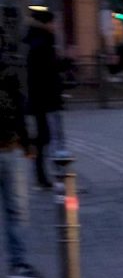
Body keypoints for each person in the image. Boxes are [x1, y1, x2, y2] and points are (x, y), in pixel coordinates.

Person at [0, 63, 39, 278]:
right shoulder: (9, 72)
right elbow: (20, 111)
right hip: (11, 149)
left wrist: (26, 142)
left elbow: (19, 110)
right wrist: (27, 144)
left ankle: (19, 262)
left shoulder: (9, 73)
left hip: (12, 148)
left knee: (17, 210)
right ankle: (19, 263)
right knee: (17, 211)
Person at [23, 10, 63, 189]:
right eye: (54, 22)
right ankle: (51, 175)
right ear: (47, 24)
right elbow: (48, 71)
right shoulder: (43, 43)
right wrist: (66, 61)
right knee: (48, 138)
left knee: (44, 138)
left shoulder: (34, 41)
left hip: (38, 98)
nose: (56, 26)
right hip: (45, 99)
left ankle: (44, 175)